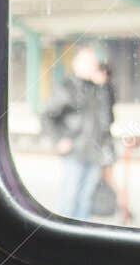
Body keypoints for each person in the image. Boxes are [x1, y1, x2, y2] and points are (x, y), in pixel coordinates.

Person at [41, 46, 119, 219]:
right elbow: (47, 116)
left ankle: (81, 237)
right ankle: (63, 236)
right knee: (69, 199)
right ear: (76, 64)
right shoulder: (67, 87)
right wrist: (58, 140)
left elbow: (109, 118)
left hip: (95, 152)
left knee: (86, 200)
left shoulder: (99, 87)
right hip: (75, 152)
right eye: (87, 61)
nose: (92, 65)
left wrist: (103, 88)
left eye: (93, 62)